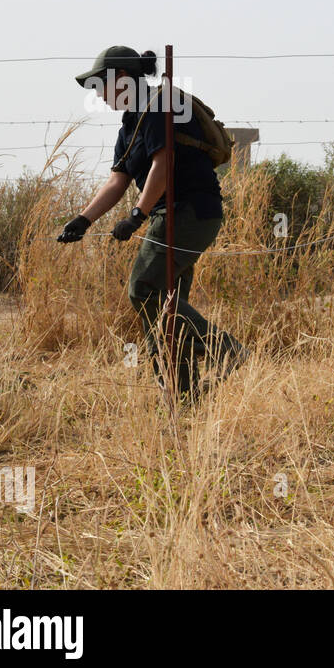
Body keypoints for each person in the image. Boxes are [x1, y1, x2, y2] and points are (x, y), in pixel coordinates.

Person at [56, 45, 247, 402]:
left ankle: (226, 350)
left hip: (188, 212)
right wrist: (83, 220)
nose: (98, 94)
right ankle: (182, 394)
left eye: (101, 84)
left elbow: (164, 163)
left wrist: (136, 215)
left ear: (123, 79)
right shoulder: (132, 121)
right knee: (168, 300)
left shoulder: (158, 106)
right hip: (175, 213)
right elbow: (118, 179)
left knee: (144, 289)